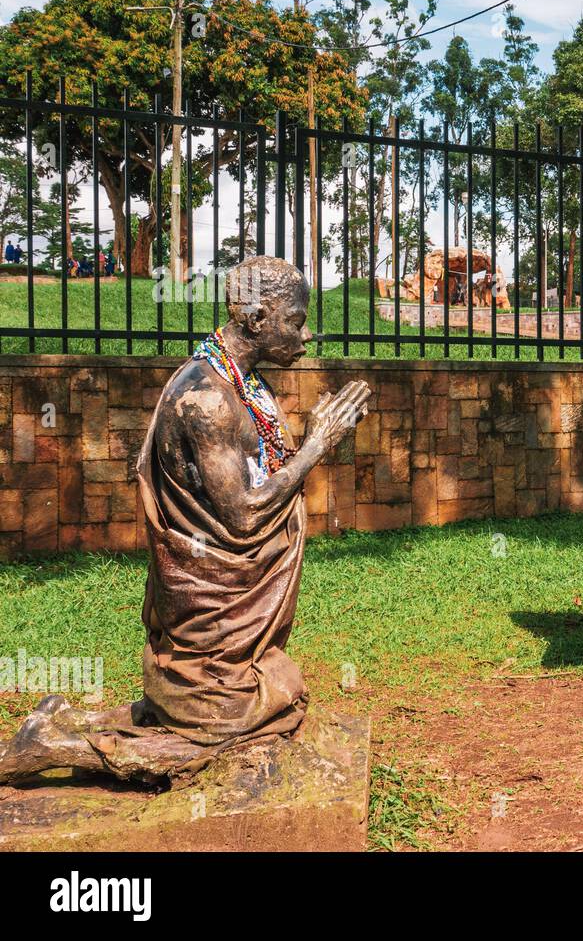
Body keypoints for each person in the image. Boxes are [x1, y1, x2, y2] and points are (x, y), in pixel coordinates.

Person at [0, 257, 373, 783]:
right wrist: (317, 444)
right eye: (296, 319)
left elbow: (255, 480)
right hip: (211, 609)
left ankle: (77, 721)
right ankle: (52, 746)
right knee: (220, 734)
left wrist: (310, 444)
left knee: (275, 702)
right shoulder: (208, 400)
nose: (308, 334)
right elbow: (244, 518)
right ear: (257, 317)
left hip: (223, 613)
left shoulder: (242, 382)